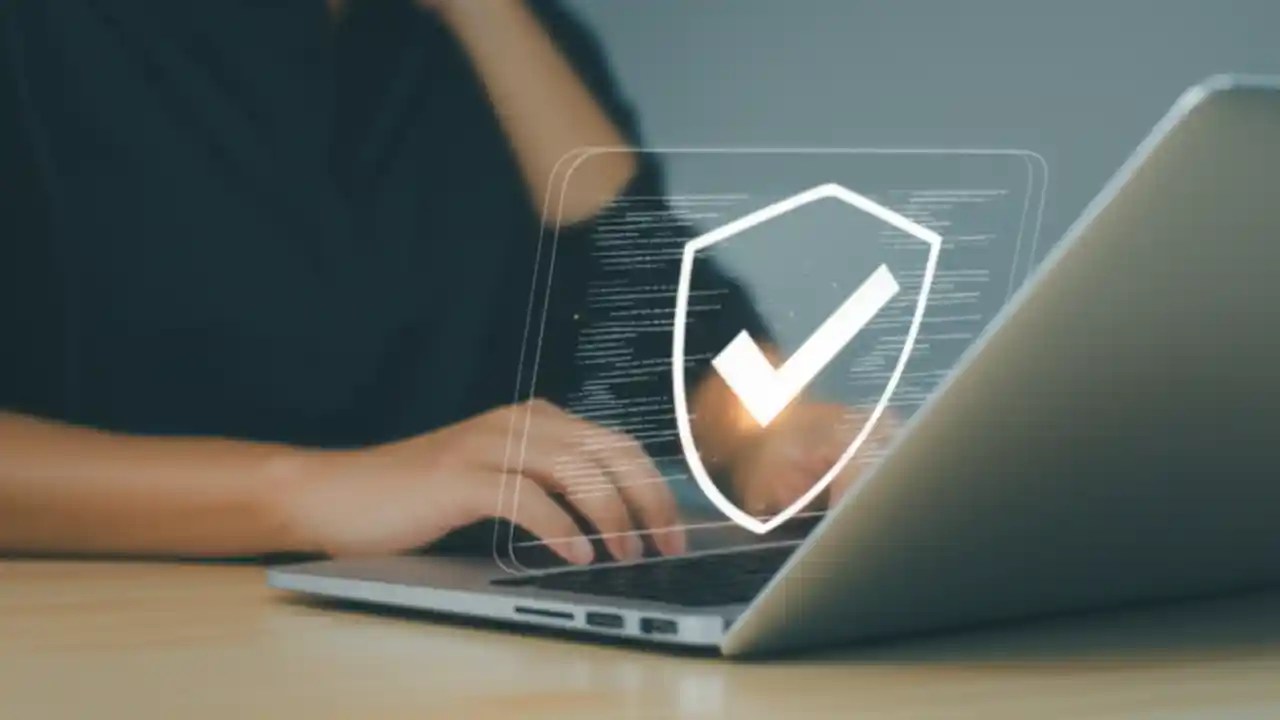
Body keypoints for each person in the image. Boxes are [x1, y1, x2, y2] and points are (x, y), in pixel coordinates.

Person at [0, 0, 872, 564]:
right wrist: (311, 492)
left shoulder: (504, 38)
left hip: (462, 650)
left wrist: (773, 437)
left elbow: (664, 314)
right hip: (126, 646)